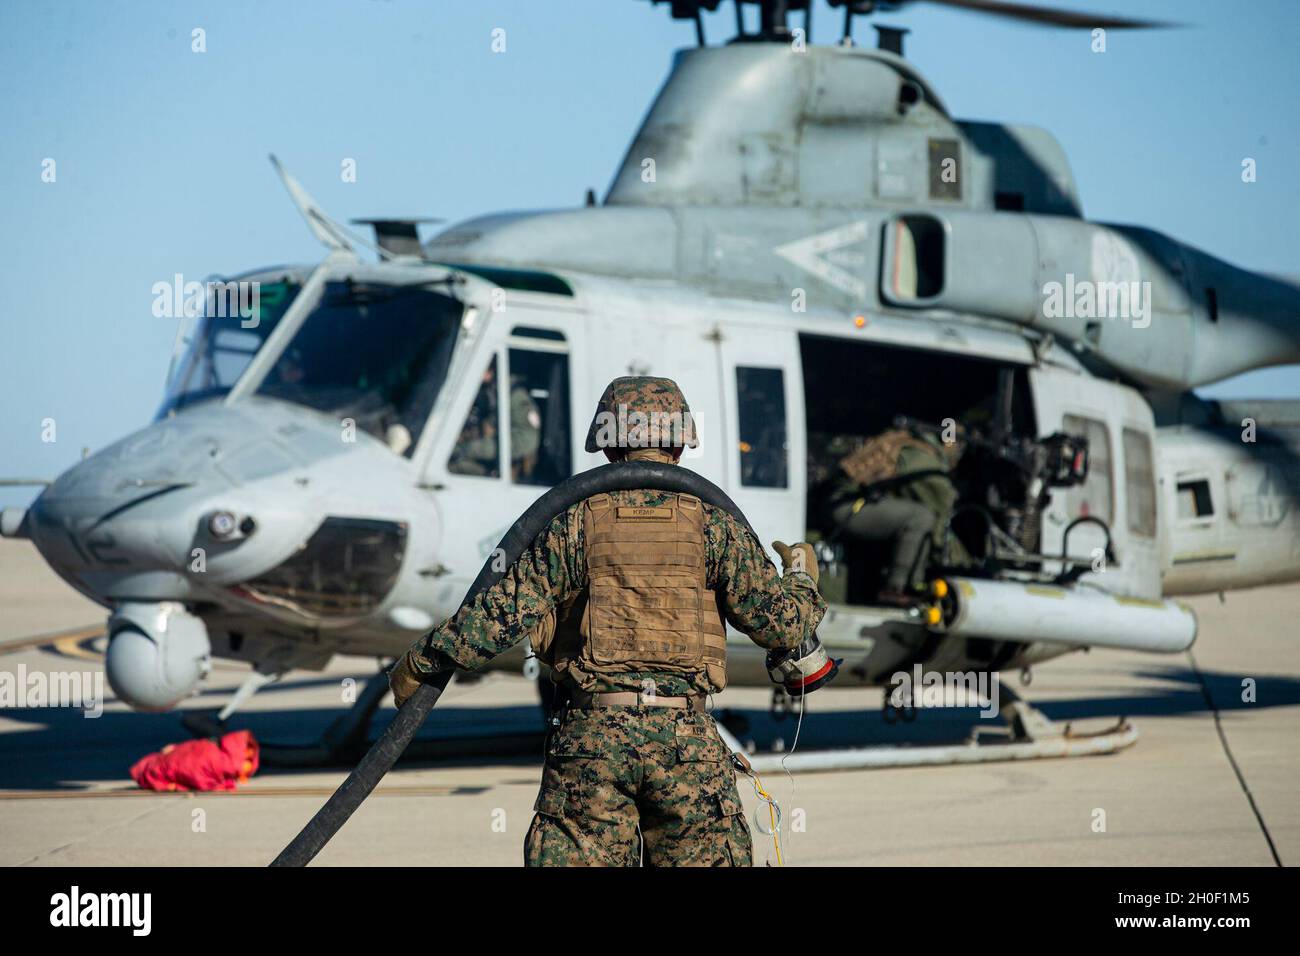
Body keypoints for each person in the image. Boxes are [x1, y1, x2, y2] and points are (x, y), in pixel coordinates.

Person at [390, 376, 826, 866]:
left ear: (607, 443)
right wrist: (801, 577)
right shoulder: (715, 524)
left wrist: (424, 659)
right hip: (687, 745)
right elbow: (784, 626)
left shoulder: (572, 520)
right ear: (680, 441)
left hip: (591, 745)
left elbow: (500, 617)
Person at [828, 424, 962, 607]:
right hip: (846, 506)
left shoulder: (912, 445)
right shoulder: (924, 460)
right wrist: (959, 560)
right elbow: (940, 513)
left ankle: (909, 586)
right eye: (958, 444)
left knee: (918, 518)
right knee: (921, 518)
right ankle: (895, 588)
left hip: (846, 503)